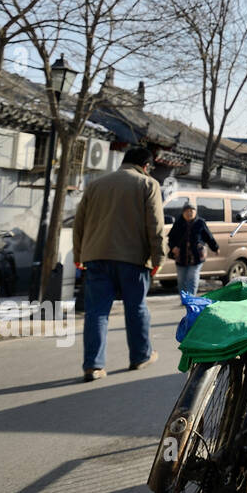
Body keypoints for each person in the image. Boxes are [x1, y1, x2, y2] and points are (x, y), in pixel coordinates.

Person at [72, 146, 165, 381]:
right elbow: (155, 226)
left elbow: (79, 222)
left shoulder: (96, 184)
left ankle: (94, 366)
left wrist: (78, 254)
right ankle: (140, 356)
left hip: (96, 256)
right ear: (146, 166)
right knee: (136, 308)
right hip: (133, 259)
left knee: (96, 312)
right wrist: (158, 258)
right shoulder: (147, 184)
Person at [166, 203, 219, 297]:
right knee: (181, 279)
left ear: (195, 212)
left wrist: (215, 248)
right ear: (183, 213)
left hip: (197, 256)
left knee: (192, 277)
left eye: (192, 211)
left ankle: (191, 299)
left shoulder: (200, 223)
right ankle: (184, 298)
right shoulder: (178, 223)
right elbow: (171, 238)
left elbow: (209, 237)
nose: (189, 213)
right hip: (181, 256)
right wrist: (173, 247)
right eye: (187, 211)